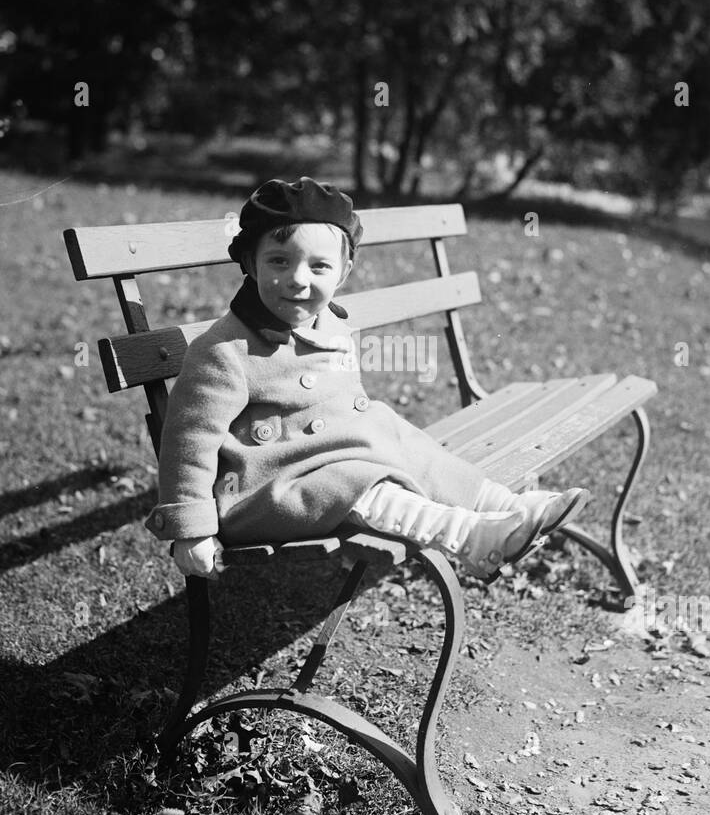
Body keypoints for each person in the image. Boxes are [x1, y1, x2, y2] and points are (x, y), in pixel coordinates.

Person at [145, 177, 589, 582]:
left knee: (397, 434)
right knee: (359, 478)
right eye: (279, 261)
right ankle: (473, 539)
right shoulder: (224, 351)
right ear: (251, 263)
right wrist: (191, 529)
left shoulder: (331, 326)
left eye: (318, 267)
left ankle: (505, 506)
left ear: (343, 273)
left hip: (331, 456)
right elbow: (189, 440)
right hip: (268, 488)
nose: (297, 280)